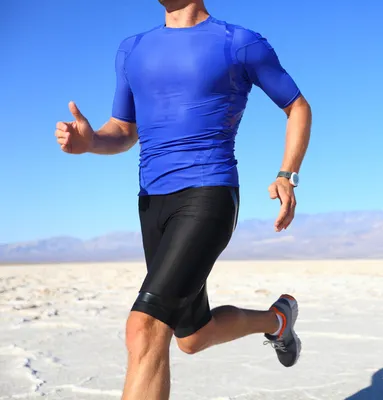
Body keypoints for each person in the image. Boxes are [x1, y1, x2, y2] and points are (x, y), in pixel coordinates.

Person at [53, 1, 312, 399]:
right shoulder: (132, 49)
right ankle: (277, 321)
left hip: (208, 194)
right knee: (192, 335)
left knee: (145, 327)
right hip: (152, 203)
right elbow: (123, 129)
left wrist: (287, 174)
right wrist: (90, 142)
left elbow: (297, 106)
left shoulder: (239, 43)